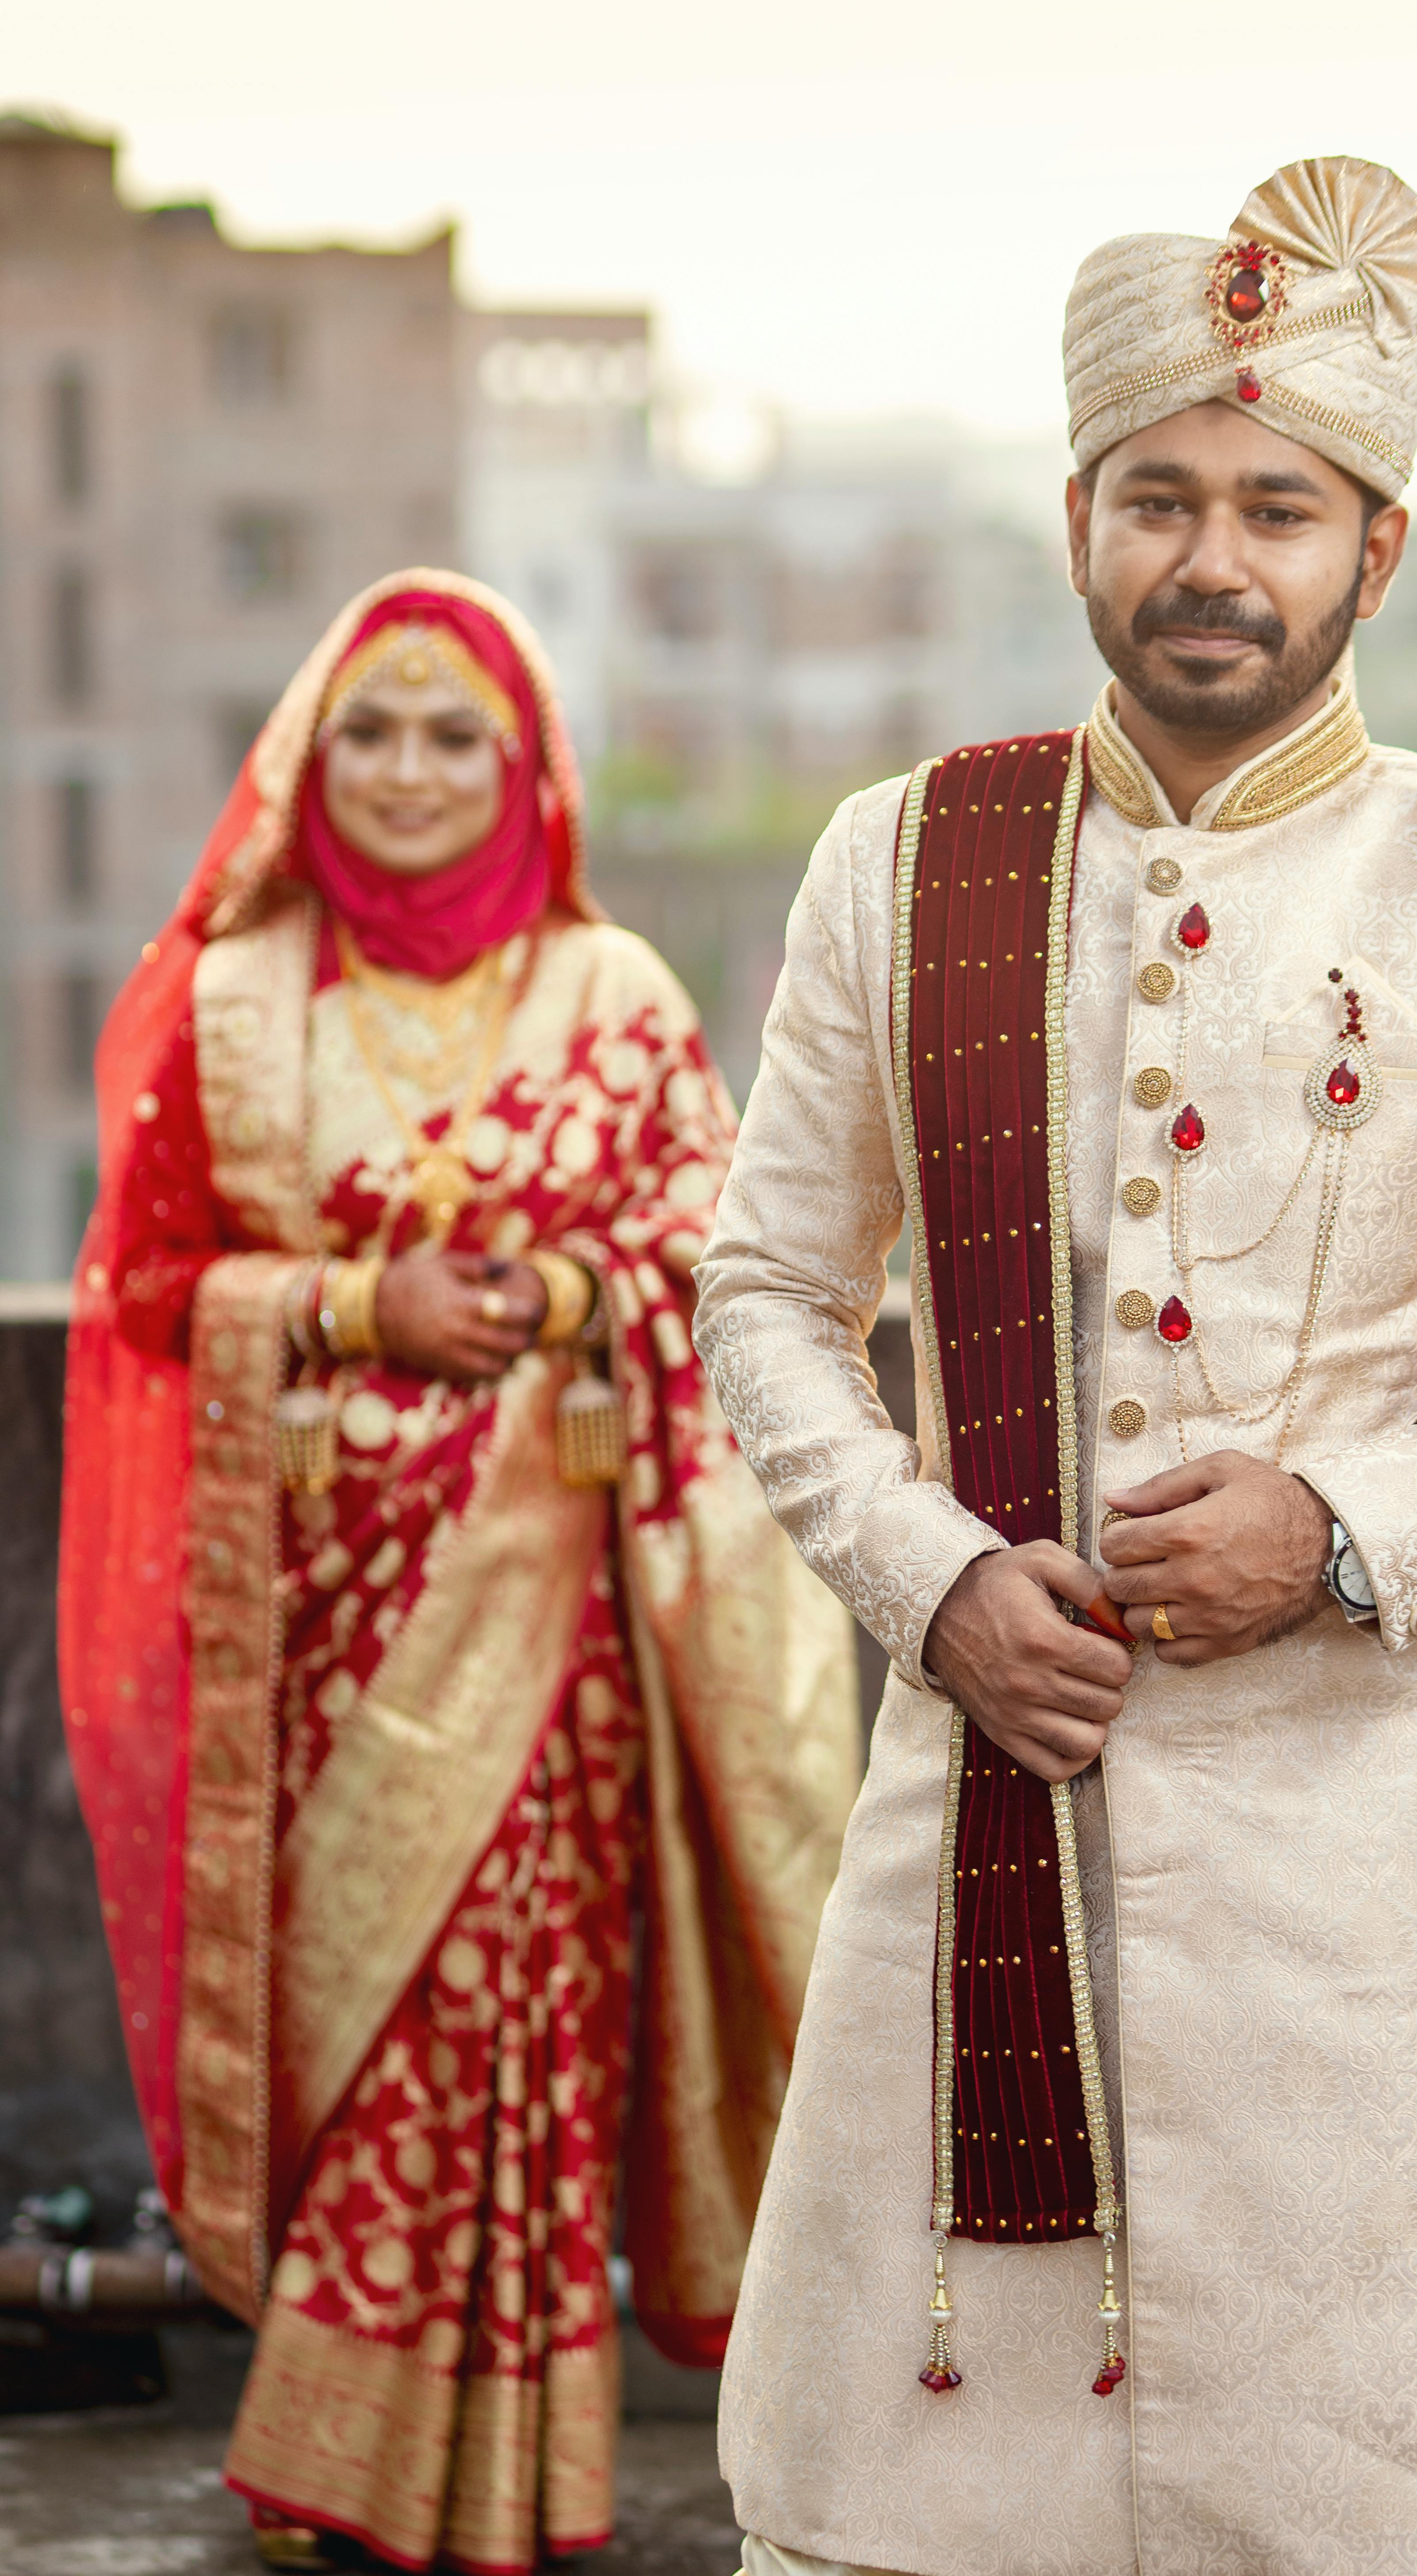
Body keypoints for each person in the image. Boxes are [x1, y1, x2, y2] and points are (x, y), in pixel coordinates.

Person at [692, 157, 1417, 2576]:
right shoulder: (904, 860)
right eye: (1160, 497)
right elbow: (761, 1289)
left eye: (1278, 505)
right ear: (1077, 520)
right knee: (919, 2503)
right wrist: (930, 1574)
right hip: (989, 1798)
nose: (1214, 554)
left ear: (1375, 549)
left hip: (1371, 1853)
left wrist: (1357, 1527)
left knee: (1387, 2498)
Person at [59, 571, 860, 2573]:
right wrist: (357, 1299)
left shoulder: (616, 997)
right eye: (370, 730)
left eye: (454, 736)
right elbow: (142, 1287)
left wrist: (575, 1285)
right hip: (311, 1624)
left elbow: (727, 1254)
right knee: (348, 2002)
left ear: (530, 770)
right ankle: (392, 2461)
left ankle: (447, 2477)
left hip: (554, 1620)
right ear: (306, 759)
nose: (409, 771)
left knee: (504, 2008)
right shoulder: (230, 999)